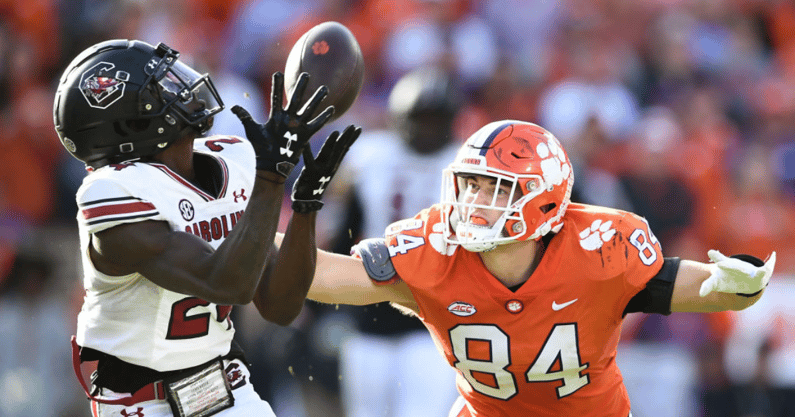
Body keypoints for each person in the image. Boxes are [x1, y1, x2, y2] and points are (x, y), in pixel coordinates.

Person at [262, 119, 776, 416]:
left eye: (494, 187)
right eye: (470, 183)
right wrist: (243, 230)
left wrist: (737, 285)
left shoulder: (600, 248)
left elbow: (696, 286)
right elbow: (328, 275)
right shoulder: (434, 250)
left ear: (543, 199)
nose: (473, 200)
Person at [53, 39, 360, 416]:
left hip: (224, 384)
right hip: (141, 402)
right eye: (162, 87)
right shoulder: (111, 191)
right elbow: (227, 283)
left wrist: (305, 205)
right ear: (133, 121)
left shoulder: (232, 158)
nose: (183, 88)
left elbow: (279, 306)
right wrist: (270, 177)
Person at [323, 66, 462, 417]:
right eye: (421, 119)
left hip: (433, 320)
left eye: (436, 120)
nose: (427, 130)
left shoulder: (465, 165)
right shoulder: (369, 156)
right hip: (369, 313)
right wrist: (324, 308)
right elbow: (344, 234)